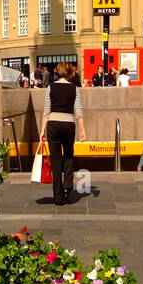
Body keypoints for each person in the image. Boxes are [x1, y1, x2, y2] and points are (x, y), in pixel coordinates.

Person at [39, 62, 86, 206]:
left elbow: (46, 111)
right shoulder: (74, 89)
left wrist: (42, 131)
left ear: (58, 72)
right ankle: (67, 188)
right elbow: (78, 110)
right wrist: (83, 130)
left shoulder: (50, 88)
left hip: (53, 124)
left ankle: (57, 196)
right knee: (68, 156)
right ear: (69, 72)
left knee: (55, 160)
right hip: (68, 125)